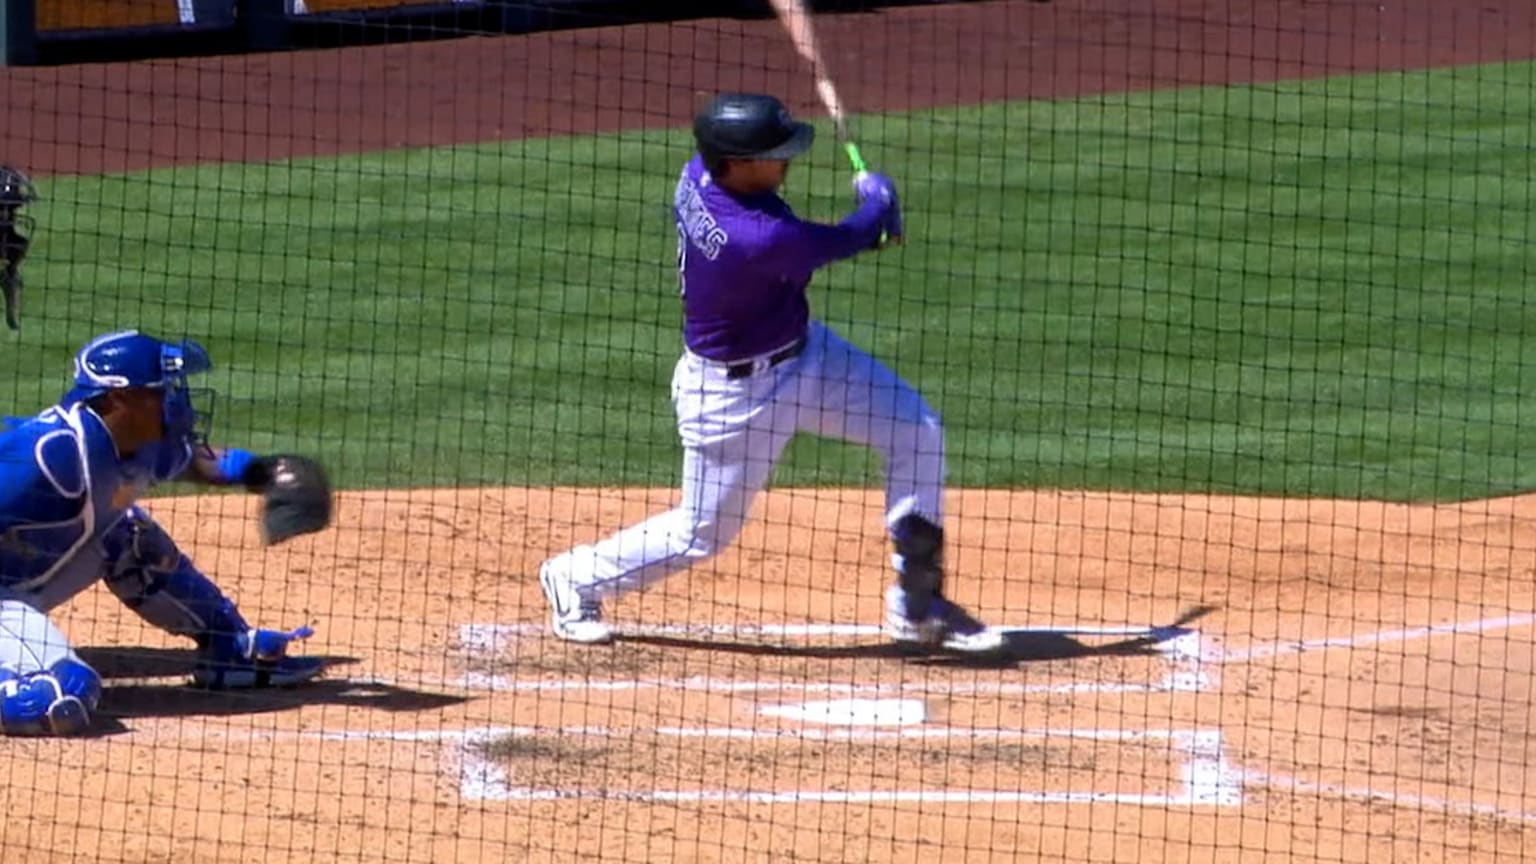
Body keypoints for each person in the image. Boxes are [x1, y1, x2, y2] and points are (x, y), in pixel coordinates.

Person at [538, 92, 1004, 654]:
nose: (787, 160)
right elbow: (840, 240)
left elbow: (831, 241)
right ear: (735, 162)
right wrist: (876, 207)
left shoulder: (700, 172)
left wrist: (873, 225)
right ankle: (575, 576)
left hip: (808, 355)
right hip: (734, 398)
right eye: (774, 152)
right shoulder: (754, 238)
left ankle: (918, 604)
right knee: (701, 535)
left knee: (916, 430)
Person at [0, 329, 326, 736]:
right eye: (162, 390)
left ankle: (229, 648)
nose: (176, 399)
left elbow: (195, 462)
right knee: (59, 695)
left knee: (129, 533)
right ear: (120, 398)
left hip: (20, 585)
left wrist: (261, 472)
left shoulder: (135, 442)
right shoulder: (49, 457)